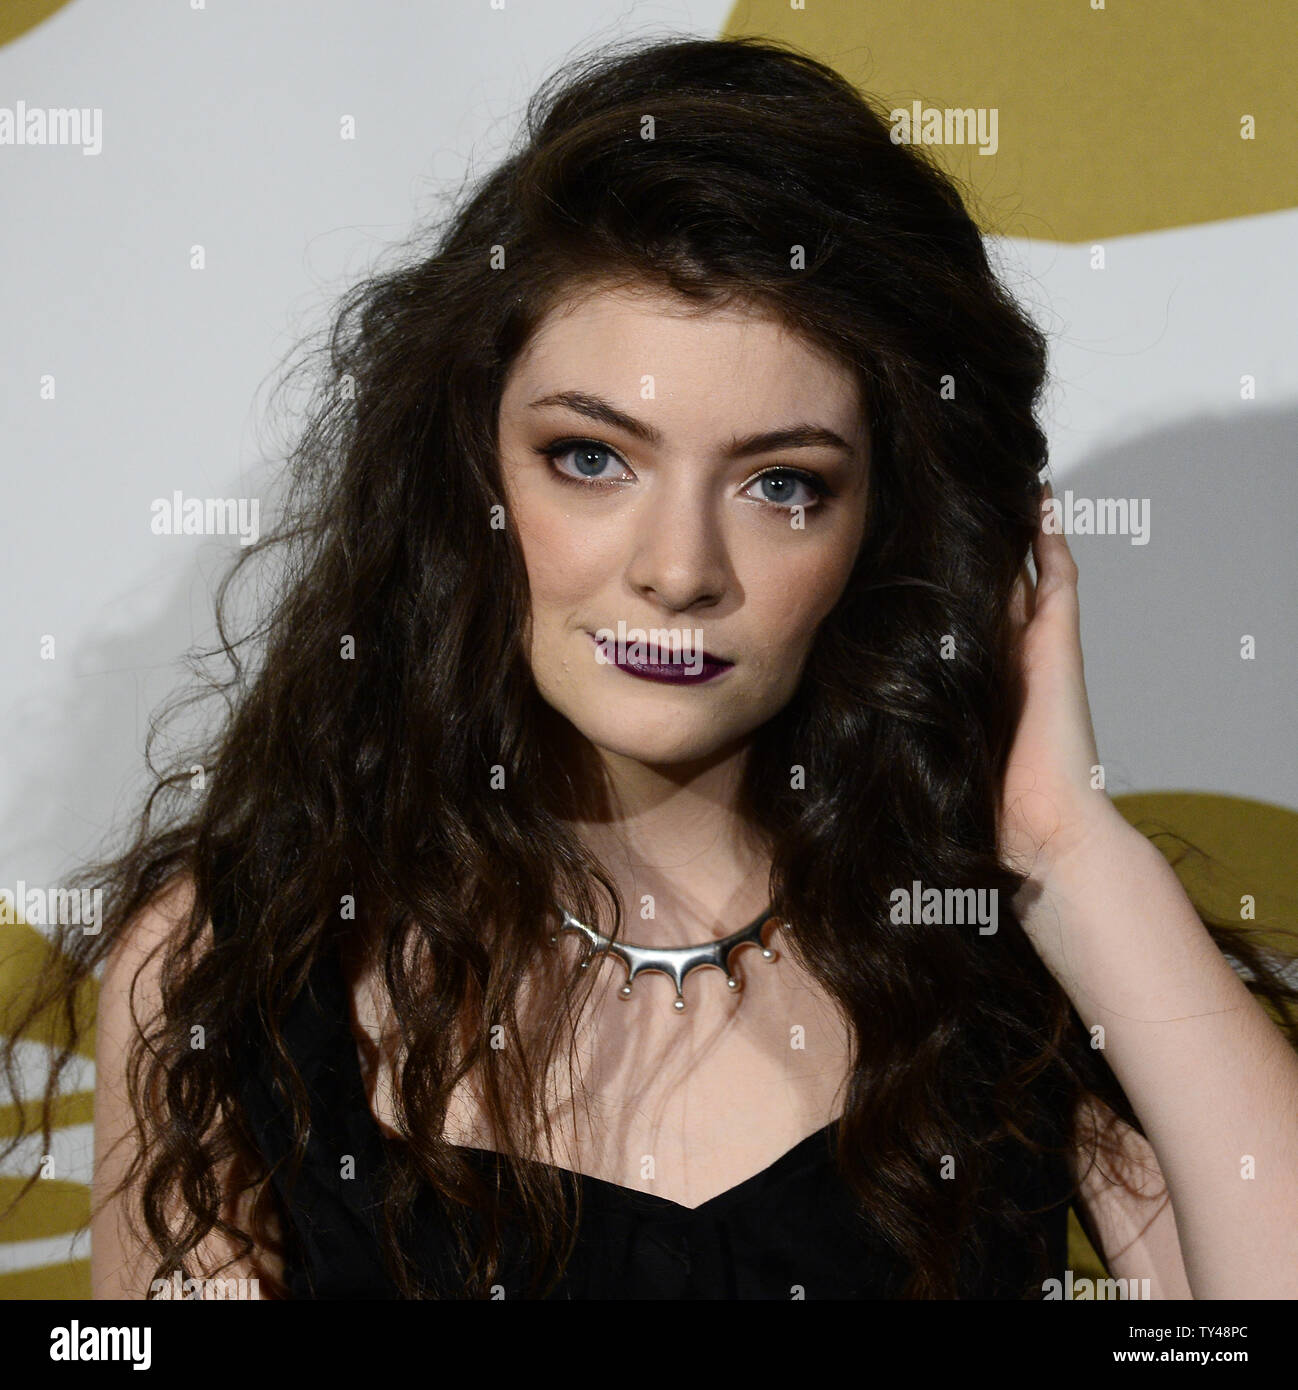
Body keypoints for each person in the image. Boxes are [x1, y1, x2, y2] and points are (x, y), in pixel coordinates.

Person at [5, 33, 1297, 1301]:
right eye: (590, 456)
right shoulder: (246, 963)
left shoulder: (984, 958)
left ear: (879, 529)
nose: (678, 567)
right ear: (467, 474)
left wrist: (1064, 845)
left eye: (780, 482)